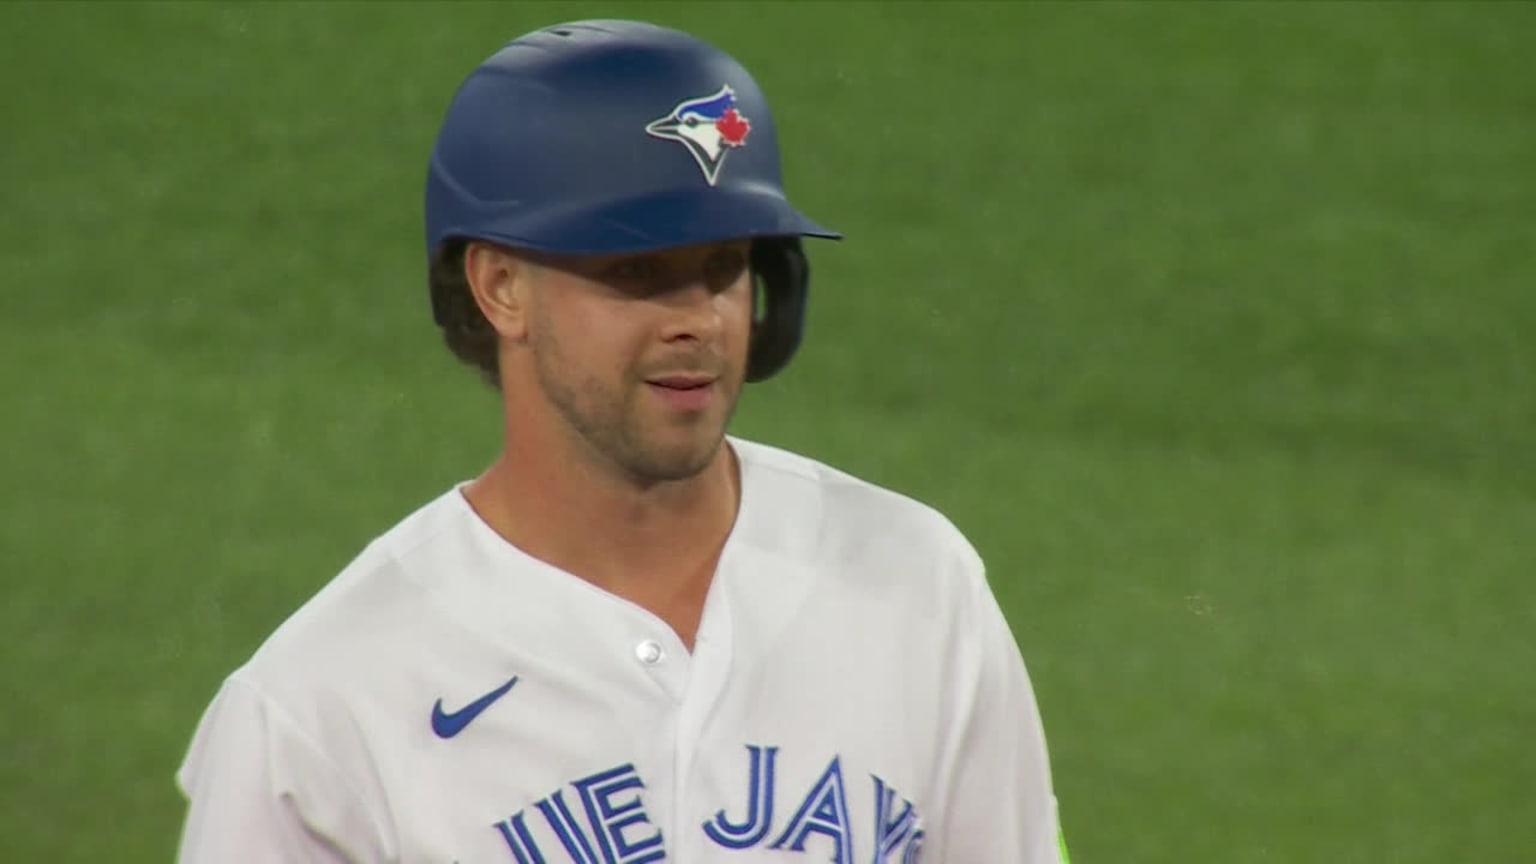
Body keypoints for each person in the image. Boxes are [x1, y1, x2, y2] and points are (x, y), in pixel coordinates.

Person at [174, 18, 1068, 864]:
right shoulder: (319, 709)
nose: (699, 323)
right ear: (501, 288)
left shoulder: (915, 583)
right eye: (637, 272)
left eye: (723, 270)